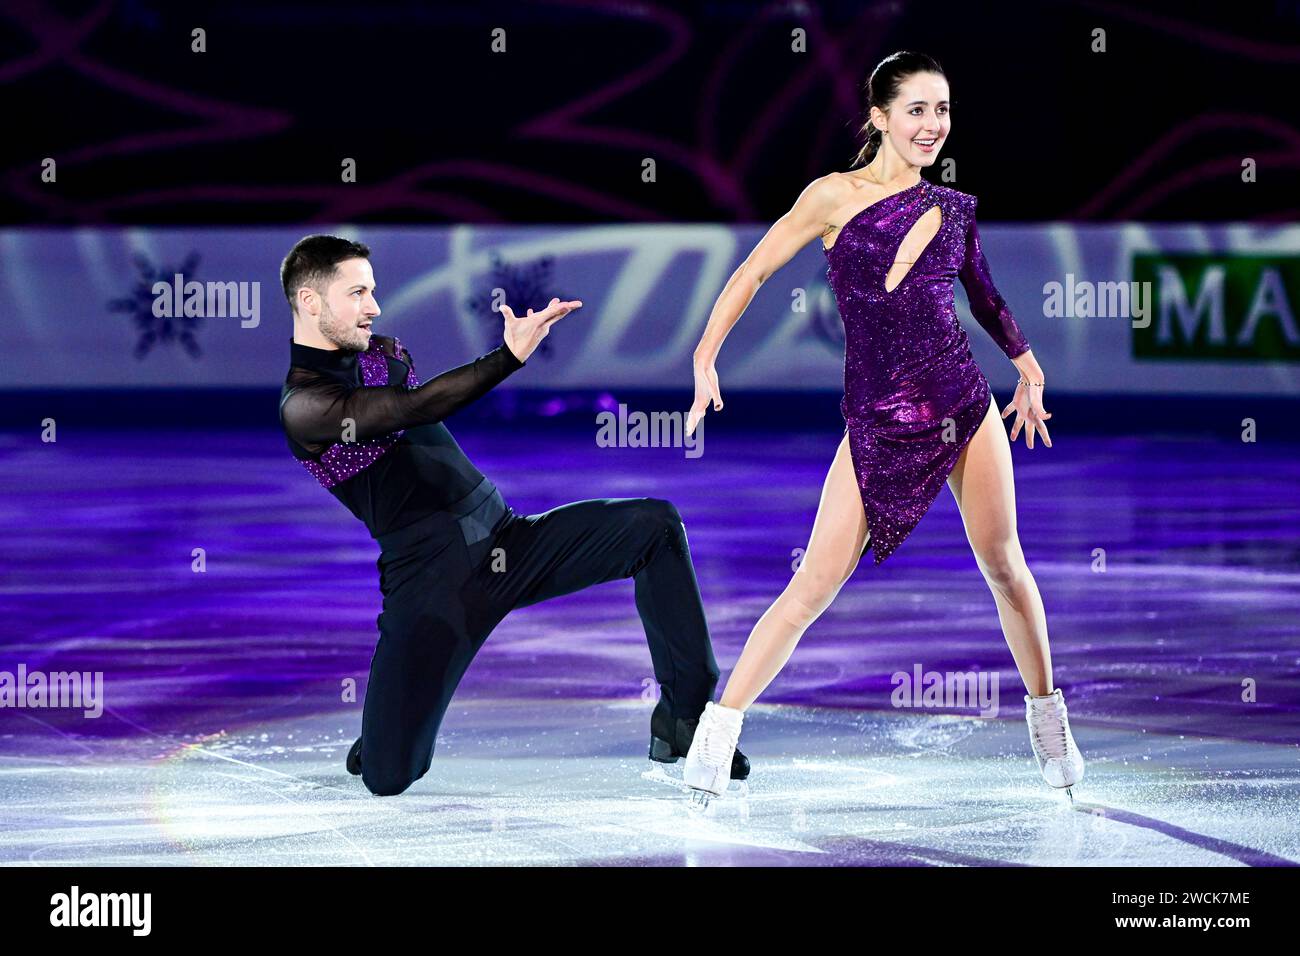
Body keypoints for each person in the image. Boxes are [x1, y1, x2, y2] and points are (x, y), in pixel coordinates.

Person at [680, 52, 1084, 805]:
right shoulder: (832, 197)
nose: (933, 125)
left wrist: (1028, 369)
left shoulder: (955, 209)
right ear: (879, 116)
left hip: (961, 404)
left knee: (1004, 565)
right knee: (812, 585)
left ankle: (1047, 716)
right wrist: (706, 354)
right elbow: (755, 270)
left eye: (943, 110)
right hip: (877, 418)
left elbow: (986, 299)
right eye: (918, 110)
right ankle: (717, 733)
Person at [277, 235, 748, 796]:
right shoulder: (304, 409)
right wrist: (508, 358)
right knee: (389, 776)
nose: (374, 306)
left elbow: (413, 402)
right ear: (309, 302)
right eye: (357, 293)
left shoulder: (384, 353)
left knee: (656, 526)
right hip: (432, 585)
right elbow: (416, 406)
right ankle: (386, 730)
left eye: (373, 291)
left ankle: (683, 718)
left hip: (507, 541)